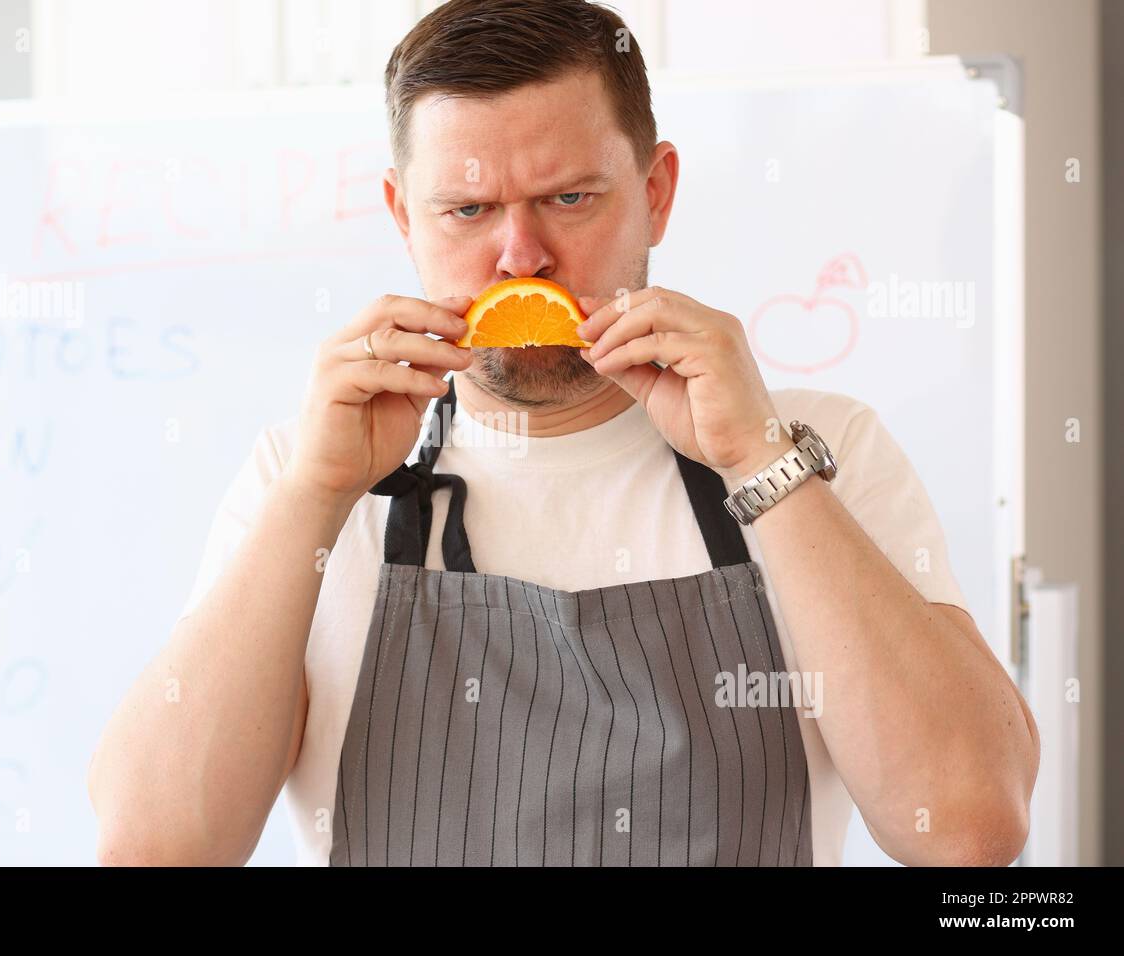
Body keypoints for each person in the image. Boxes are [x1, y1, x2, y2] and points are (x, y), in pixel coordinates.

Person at [87, 0, 1038, 867]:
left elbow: (967, 826)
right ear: (400, 217)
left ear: (657, 190)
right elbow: (156, 849)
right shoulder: (302, 478)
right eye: (467, 211)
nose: (521, 258)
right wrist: (313, 500)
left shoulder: (817, 446)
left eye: (569, 199)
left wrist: (759, 462)